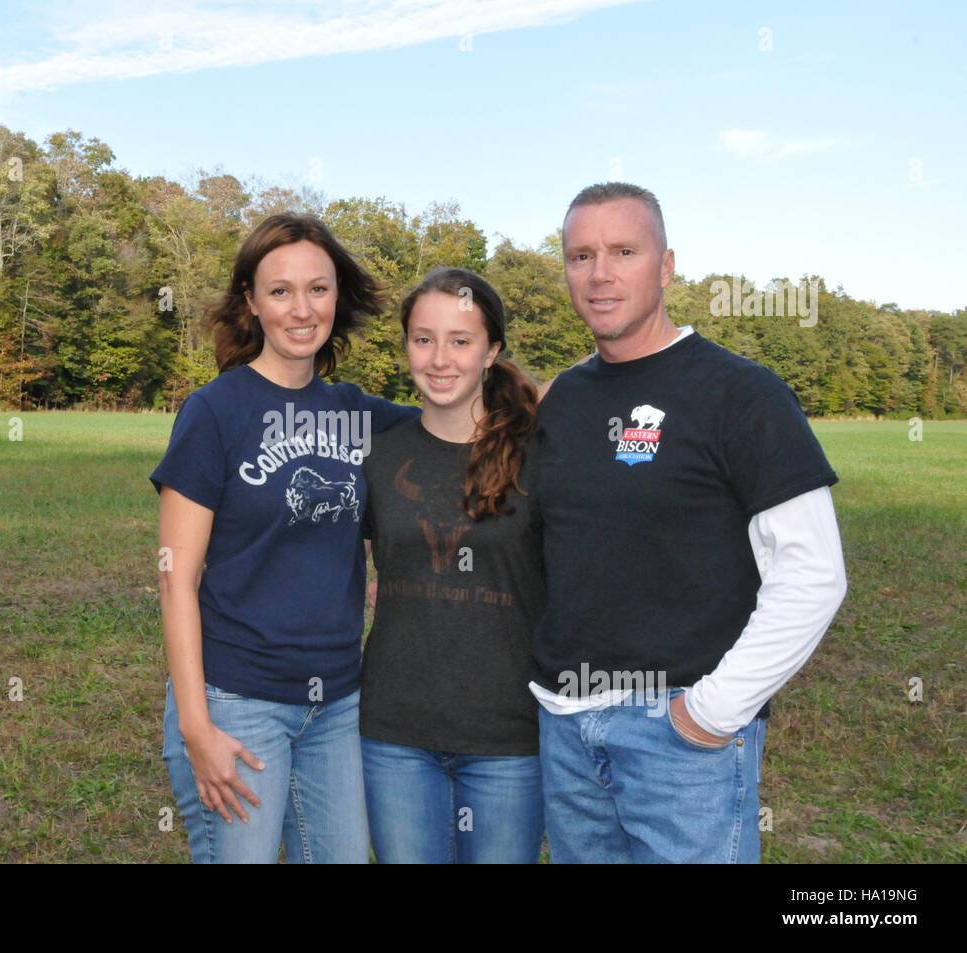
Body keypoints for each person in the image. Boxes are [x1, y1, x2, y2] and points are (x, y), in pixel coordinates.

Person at [528, 182, 848, 863]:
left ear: (666, 266)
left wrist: (709, 713)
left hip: (680, 742)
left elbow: (814, 571)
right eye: (580, 255)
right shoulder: (562, 398)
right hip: (566, 735)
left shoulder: (741, 393)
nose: (600, 273)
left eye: (623, 250)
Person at [151, 212, 419, 864]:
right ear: (251, 300)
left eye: (318, 289)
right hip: (234, 702)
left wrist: (591, 379)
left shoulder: (358, 413)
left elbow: (464, 416)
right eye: (280, 291)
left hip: (335, 706)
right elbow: (174, 579)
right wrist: (196, 726)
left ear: (338, 296)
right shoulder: (214, 411)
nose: (302, 309)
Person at [359, 267, 546, 863]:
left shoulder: (539, 456)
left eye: (460, 341)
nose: (440, 359)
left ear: (491, 351)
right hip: (394, 734)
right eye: (423, 339)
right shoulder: (378, 455)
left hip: (508, 738)